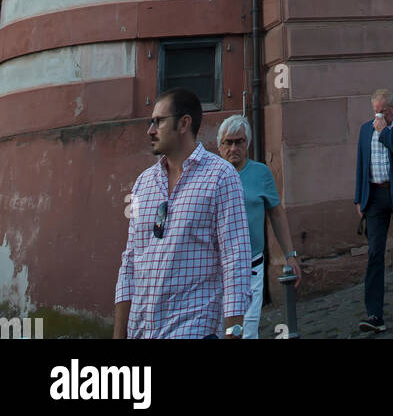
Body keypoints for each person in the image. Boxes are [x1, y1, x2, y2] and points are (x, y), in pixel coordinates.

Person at [114, 88, 251, 339]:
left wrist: (234, 334)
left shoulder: (221, 177)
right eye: (150, 122)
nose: (150, 130)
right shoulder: (143, 183)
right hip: (142, 331)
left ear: (184, 123)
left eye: (159, 121)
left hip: (193, 329)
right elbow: (130, 260)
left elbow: (236, 261)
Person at [217, 114, 303, 339]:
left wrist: (290, 255)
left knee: (247, 330)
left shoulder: (261, 173)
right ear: (219, 146)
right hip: (217, 267)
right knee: (218, 330)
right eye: (228, 142)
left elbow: (276, 213)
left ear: (248, 144)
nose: (234, 147)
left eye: (240, 142)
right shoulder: (211, 175)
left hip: (250, 265)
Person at [354, 88, 393, 332]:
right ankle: (374, 314)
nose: (378, 116)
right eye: (375, 112)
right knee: (374, 253)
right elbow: (361, 163)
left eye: (383, 111)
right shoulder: (364, 130)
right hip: (375, 195)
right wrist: (359, 198)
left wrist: (385, 133)